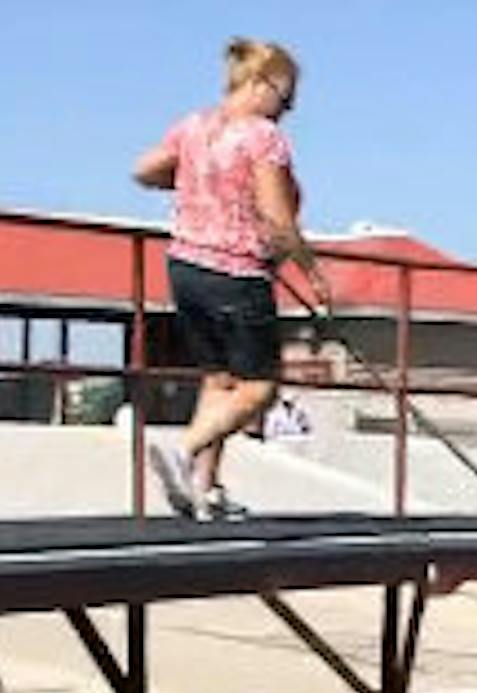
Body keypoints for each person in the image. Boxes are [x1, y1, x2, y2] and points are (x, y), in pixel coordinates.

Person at [132, 37, 332, 519]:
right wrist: (312, 272)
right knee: (260, 388)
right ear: (262, 85)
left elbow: (145, 170)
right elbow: (277, 218)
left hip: (185, 265)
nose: (288, 111)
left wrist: (196, 181)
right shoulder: (263, 137)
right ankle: (183, 451)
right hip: (237, 272)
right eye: (286, 98)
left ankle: (205, 489)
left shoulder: (194, 126)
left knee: (219, 382)